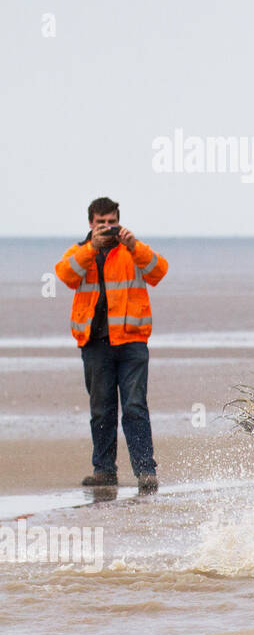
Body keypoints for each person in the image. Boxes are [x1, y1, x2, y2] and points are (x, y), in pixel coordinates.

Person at [54, 197, 169, 490]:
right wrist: (92, 247)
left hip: (131, 341)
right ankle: (104, 471)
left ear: (118, 220)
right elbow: (65, 274)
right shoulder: (81, 251)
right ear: (91, 224)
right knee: (102, 410)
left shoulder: (133, 250)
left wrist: (134, 246)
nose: (106, 228)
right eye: (100, 223)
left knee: (134, 407)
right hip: (95, 344)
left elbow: (159, 271)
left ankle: (146, 471)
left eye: (111, 222)